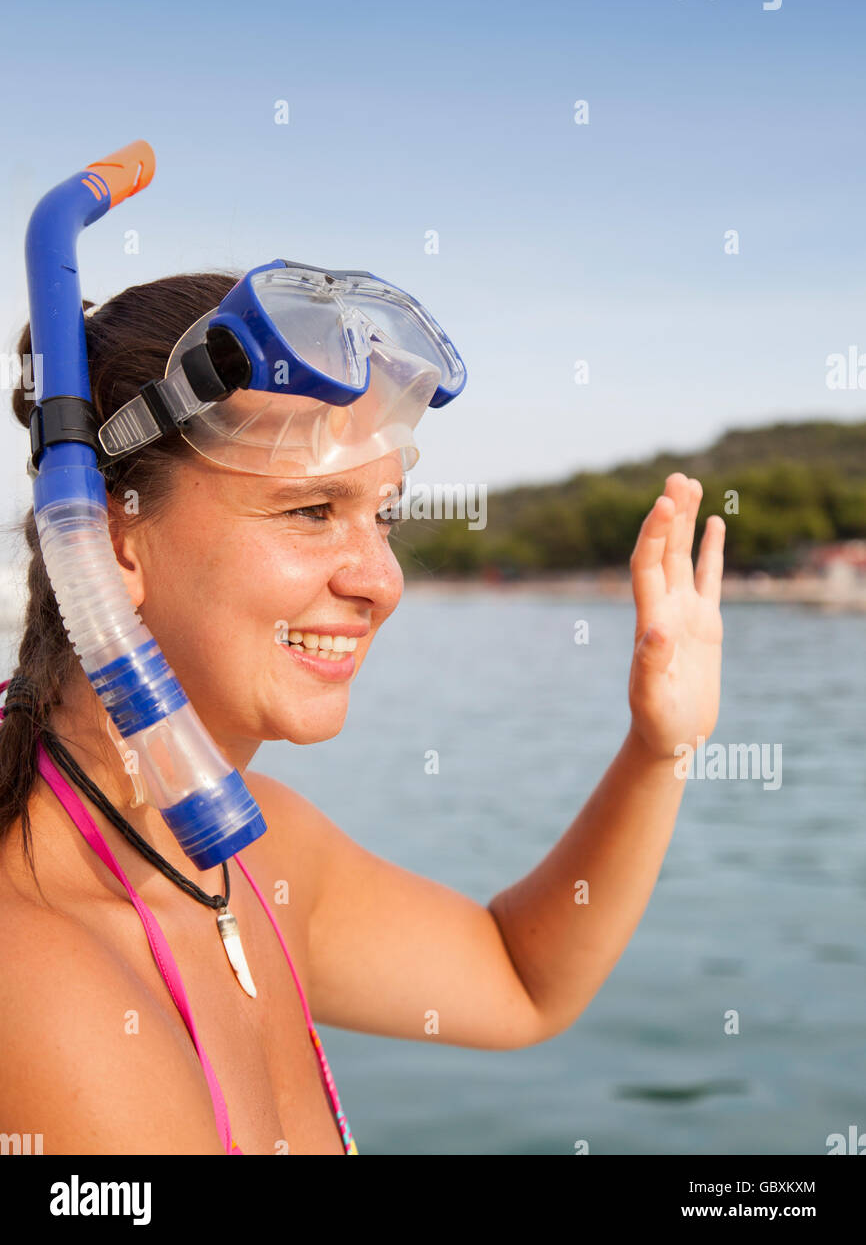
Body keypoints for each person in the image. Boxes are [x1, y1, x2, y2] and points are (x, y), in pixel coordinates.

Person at [0, 272, 725, 1155]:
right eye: (311, 510)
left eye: (383, 517)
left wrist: (658, 750)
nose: (380, 582)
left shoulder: (261, 854)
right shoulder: (40, 974)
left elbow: (518, 978)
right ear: (110, 544)